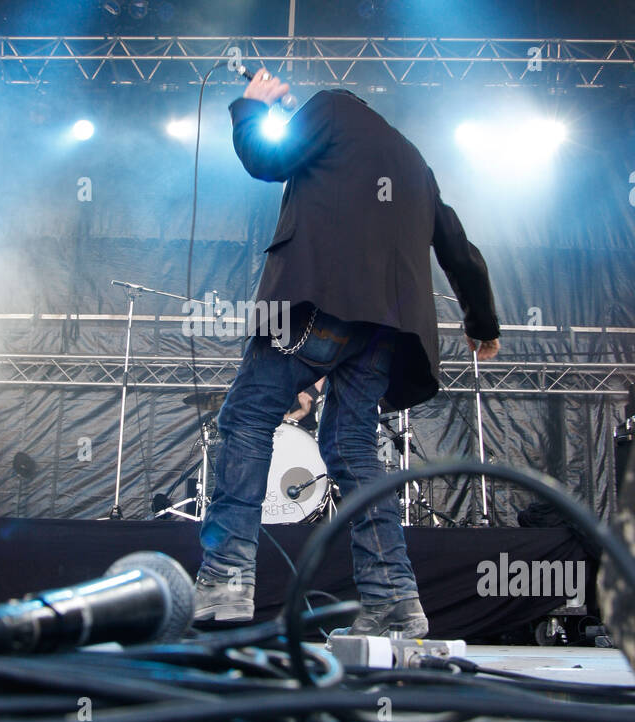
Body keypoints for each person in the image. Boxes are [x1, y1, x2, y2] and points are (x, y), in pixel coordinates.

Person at [194, 70, 500, 632]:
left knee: (249, 418)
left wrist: (249, 107)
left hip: (317, 302)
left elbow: (265, 159)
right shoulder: (413, 160)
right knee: (353, 447)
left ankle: (226, 585)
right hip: (386, 329)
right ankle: (395, 603)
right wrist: (482, 323)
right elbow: (460, 249)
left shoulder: (330, 106)